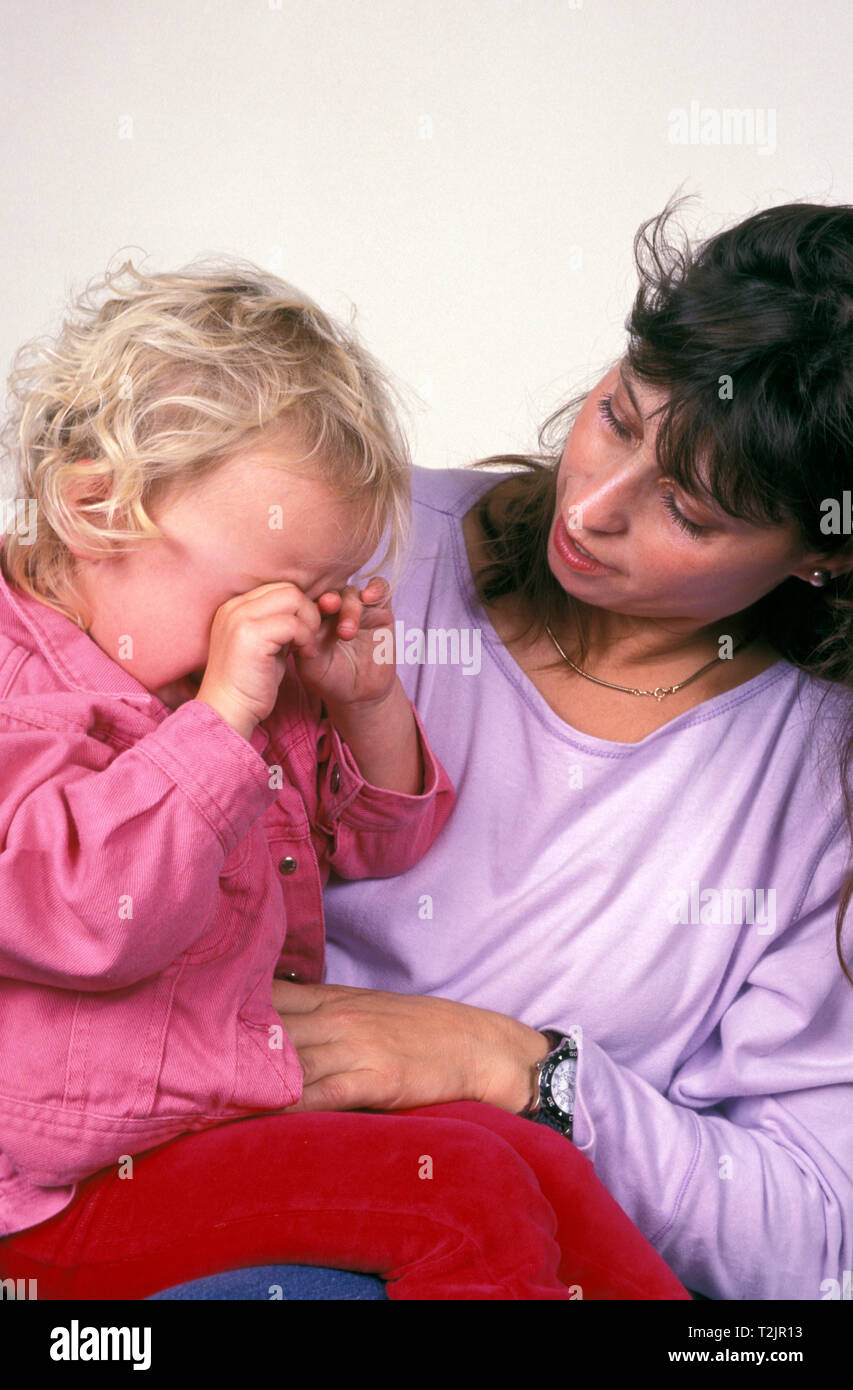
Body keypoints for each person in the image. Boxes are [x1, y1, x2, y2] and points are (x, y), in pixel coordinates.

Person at [0, 259, 690, 1301]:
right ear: (100, 510)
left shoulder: (221, 685)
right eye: (270, 593)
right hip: (62, 1185)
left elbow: (371, 847)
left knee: (530, 1155)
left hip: (213, 1117)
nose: (293, 624)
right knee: (458, 1196)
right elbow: (86, 916)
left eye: (322, 593)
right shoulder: (31, 687)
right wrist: (221, 720)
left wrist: (363, 703)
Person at [267, 196, 853, 1302]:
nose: (592, 509)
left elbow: (811, 1242)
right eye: (619, 419)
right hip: (199, 1195)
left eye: (688, 512)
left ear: (823, 555)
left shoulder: (820, 785)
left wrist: (514, 1068)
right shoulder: (355, 545)